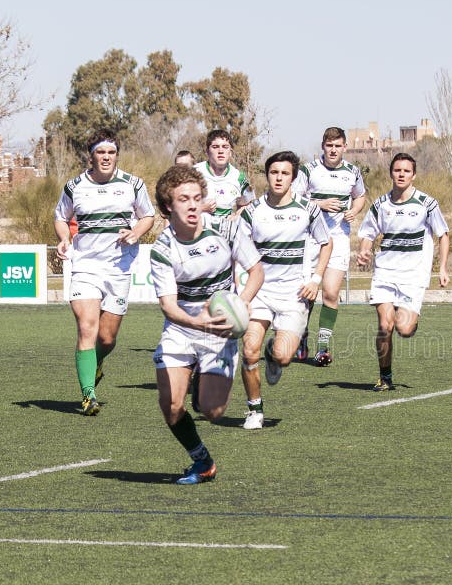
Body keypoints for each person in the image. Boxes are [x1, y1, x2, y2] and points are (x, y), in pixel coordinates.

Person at [151, 165, 264, 484]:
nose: (192, 205)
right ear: (168, 206)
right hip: (183, 328)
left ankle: (204, 378)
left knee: (212, 411)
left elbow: (256, 271)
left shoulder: (226, 230)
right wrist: (196, 322)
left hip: (221, 331)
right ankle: (202, 462)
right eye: (183, 199)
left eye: (196, 198)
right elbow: (168, 306)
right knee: (171, 406)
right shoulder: (163, 249)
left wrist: (241, 303)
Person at [54, 129, 156, 416]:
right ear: (91, 156)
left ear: (117, 155)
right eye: (101, 152)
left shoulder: (133, 184)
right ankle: (88, 395)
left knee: (107, 339)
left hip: (118, 268)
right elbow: (61, 217)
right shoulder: (74, 186)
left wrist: (136, 232)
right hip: (85, 266)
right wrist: (64, 239)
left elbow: (148, 216)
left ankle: (96, 362)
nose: (106, 157)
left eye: (111, 152)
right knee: (87, 326)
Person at [238, 151, 332, 430]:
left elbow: (326, 243)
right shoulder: (252, 212)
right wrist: (242, 294)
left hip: (294, 295)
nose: (279, 178)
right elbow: (238, 252)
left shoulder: (308, 209)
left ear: (293, 178)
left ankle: (273, 355)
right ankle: (254, 409)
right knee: (249, 349)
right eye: (274, 172)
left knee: (283, 356)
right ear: (267, 175)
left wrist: (315, 279)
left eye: (285, 173)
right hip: (260, 292)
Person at [356, 152, 450, 392]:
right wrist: (364, 251)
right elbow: (367, 233)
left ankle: (410, 320)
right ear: (391, 173)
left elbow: (443, 235)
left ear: (413, 175)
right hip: (385, 273)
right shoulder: (381, 205)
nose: (401, 174)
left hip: (413, 275)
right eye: (397, 170)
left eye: (406, 171)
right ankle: (385, 377)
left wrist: (442, 267)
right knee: (384, 326)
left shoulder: (426, 203)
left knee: (404, 329)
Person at [292, 126, 367, 365]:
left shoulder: (353, 171)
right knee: (306, 294)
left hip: (338, 238)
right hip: (311, 239)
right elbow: (294, 198)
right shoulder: (309, 170)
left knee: (331, 293)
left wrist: (354, 210)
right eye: (329, 146)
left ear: (345, 147)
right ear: (323, 146)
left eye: (337, 146)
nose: (333, 150)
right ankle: (301, 338)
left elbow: (360, 196)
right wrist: (320, 204)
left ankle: (322, 348)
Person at [194, 129, 255, 244]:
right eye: (215, 147)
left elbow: (248, 205)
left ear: (230, 152)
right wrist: (201, 208)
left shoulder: (239, 177)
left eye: (225, 147)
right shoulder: (194, 172)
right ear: (207, 151)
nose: (221, 151)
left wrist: (237, 215)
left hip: (226, 240)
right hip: (198, 238)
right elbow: (178, 205)